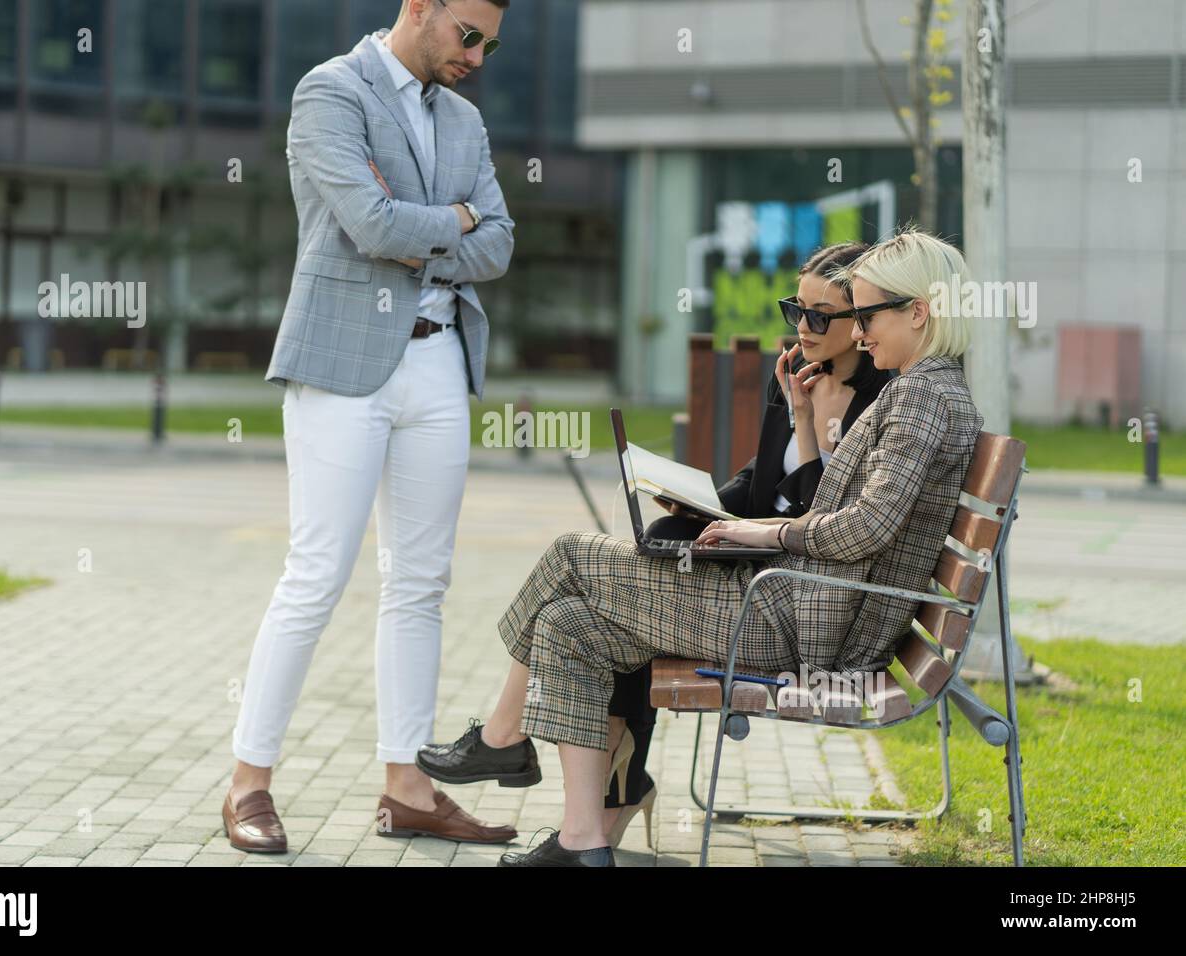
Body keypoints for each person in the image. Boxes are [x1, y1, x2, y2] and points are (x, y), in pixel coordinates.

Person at [417, 228, 984, 866]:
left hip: (804, 627)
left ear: (918, 311)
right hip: (801, 607)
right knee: (566, 624)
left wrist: (759, 532)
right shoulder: (926, 392)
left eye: (868, 315)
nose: (858, 331)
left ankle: (502, 739)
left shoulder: (920, 399)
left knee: (572, 554)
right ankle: (583, 842)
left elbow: (864, 529)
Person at [223, 0, 517, 854]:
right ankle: (248, 784)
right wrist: (452, 219)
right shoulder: (331, 93)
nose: (479, 58)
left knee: (421, 582)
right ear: (419, 8)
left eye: (492, 45)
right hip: (342, 366)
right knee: (316, 574)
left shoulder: (465, 120)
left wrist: (443, 226)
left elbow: (497, 244)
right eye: (469, 36)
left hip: (439, 363)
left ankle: (408, 789)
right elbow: (368, 223)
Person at [603, 242, 893, 848]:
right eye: (797, 309)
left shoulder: (876, 404)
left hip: (793, 576)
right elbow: (762, 475)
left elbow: (825, 521)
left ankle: (624, 782)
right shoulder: (792, 368)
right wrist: (703, 502)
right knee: (663, 537)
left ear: (860, 320)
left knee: (628, 605)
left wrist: (809, 424)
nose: (803, 328)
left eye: (822, 315)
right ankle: (623, 773)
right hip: (757, 543)